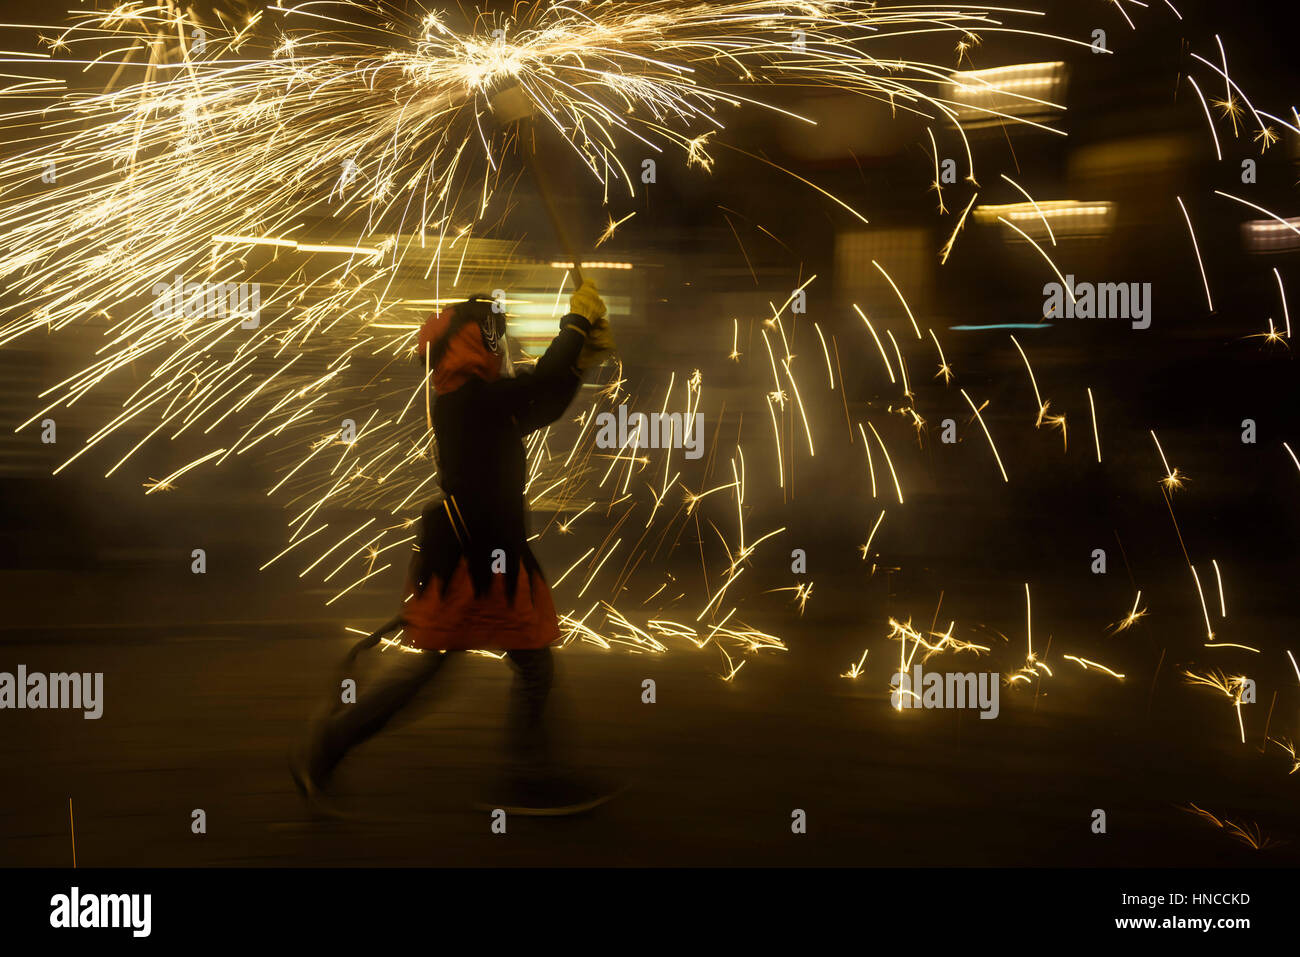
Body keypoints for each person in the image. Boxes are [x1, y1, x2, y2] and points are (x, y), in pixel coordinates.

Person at [292, 281, 614, 815]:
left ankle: (329, 749)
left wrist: (578, 360)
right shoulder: (466, 402)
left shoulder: (475, 399)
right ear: (474, 345)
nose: (502, 350)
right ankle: (526, 780)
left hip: (478, 548)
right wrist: (575, 332)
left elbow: (541, 402)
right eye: (493, 342)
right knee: (524, 668)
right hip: (479, 553)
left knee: (450, 670)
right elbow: (532, 392)